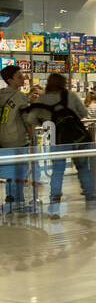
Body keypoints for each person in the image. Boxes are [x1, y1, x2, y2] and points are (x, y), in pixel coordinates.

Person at [24, 72, 96, 208]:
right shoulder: (70, 95)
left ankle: (55, 197)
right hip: (78, 138)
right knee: (83, 168)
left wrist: (45, 120)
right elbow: (84, 113)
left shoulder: (42, 99)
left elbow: (30, 119)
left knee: (57, 170)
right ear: (63, 83)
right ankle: (90, 196)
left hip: (58, 138)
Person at [0, 65, 32, 212]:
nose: (23, 78)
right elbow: (27, 119)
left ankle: (10, 199)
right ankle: (18, 201)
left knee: (8, 172)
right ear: (9, 80)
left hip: (3, 139)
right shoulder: (20, 96)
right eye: (19, 76)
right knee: (19, 171)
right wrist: (32, 136)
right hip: (17, 139)